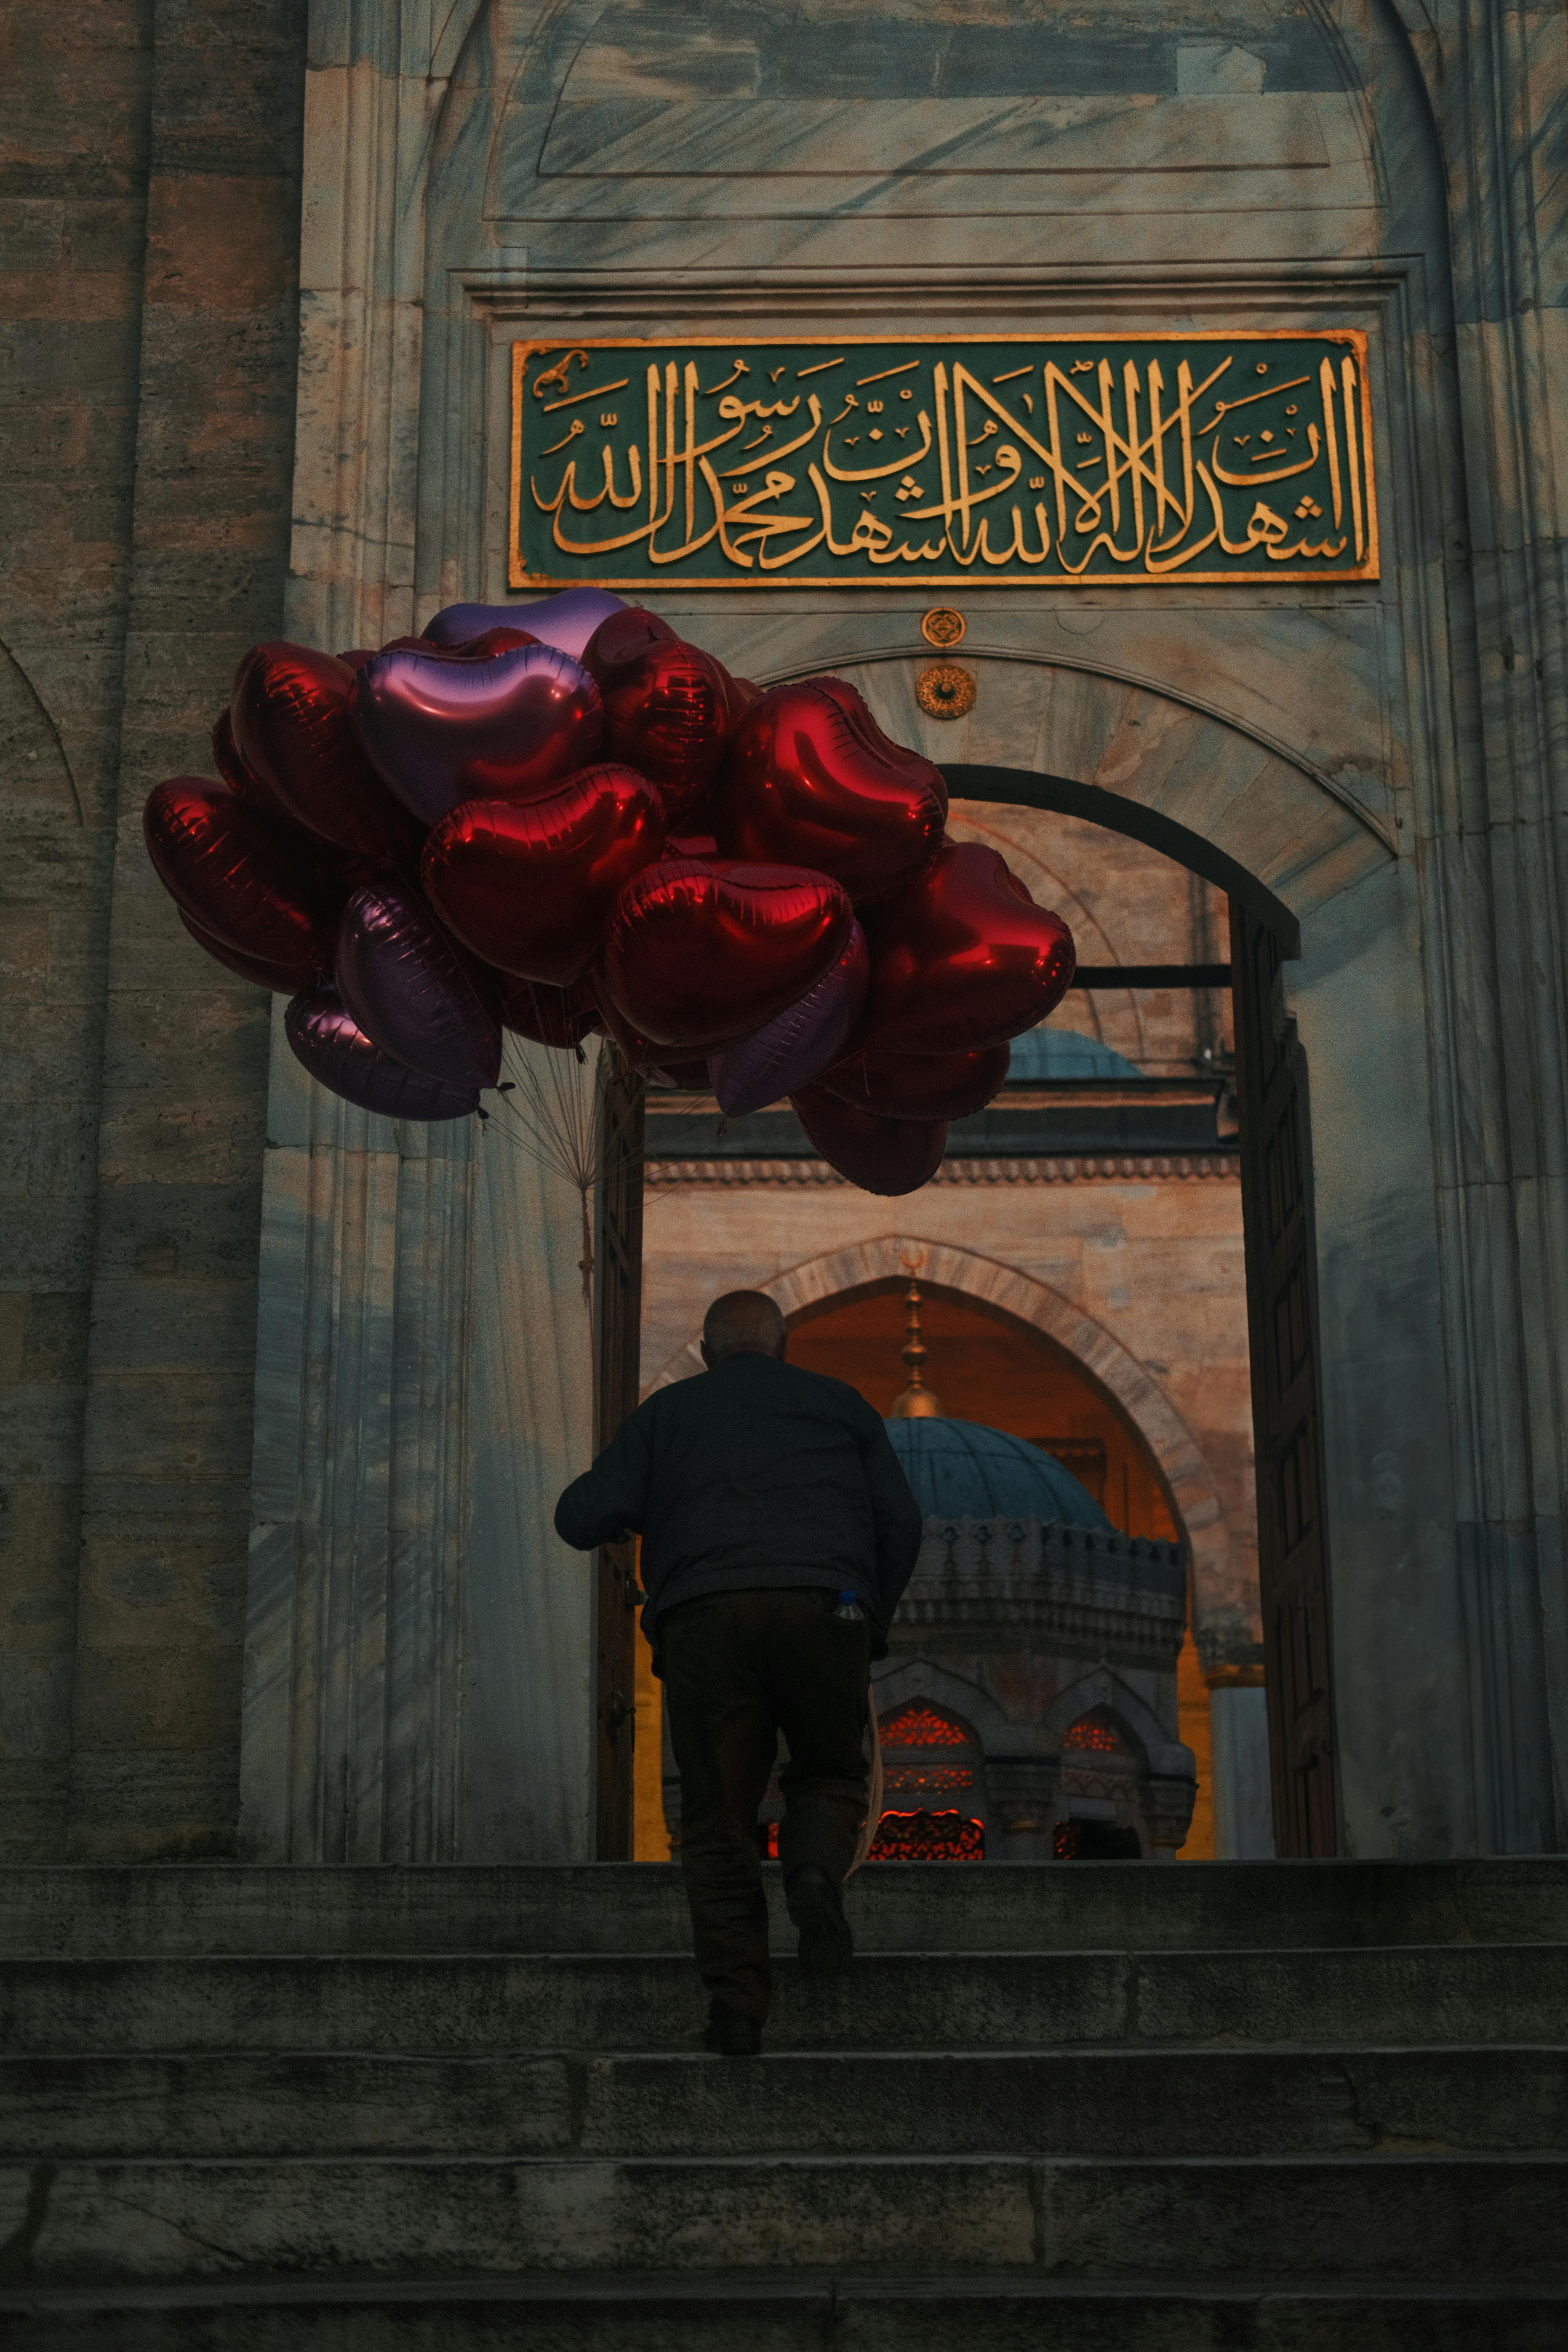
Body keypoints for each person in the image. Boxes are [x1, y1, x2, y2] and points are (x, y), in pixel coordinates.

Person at [554, 1288, 924, 2056]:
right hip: (827, 1607)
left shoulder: (668, 1414)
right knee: (827, 1772)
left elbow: (581, 1515)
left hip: (706, 1618)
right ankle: (814, 1874)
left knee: (717, 1817)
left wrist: (649, 1497)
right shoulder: (840, 1404)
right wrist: (869, 1621)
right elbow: (902, 1521)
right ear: (782, 1347)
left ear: (706, 1350)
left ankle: (736, 2011)